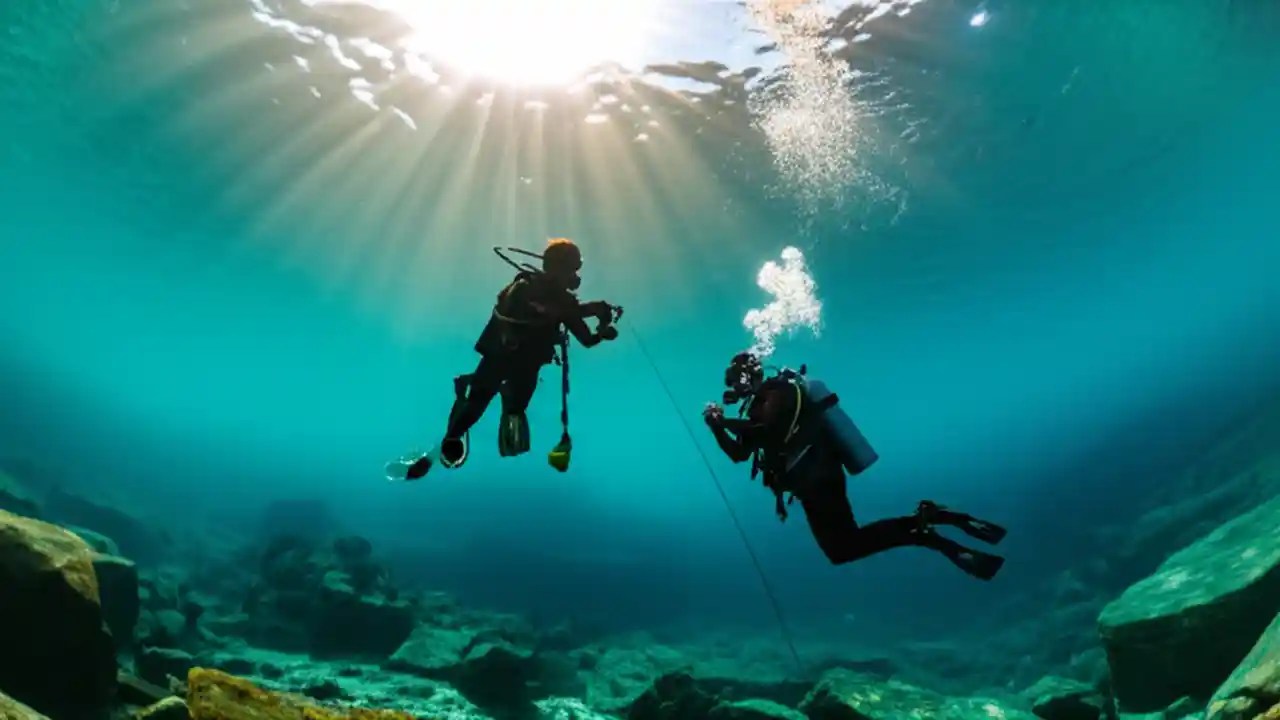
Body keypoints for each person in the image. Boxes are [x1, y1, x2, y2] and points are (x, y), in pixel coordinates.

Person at [702, 352, 1007, 580]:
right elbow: (738, 454)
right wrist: (716, 428)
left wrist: (724, 421)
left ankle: (926, 531)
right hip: (807, 483)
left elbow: (770, 431)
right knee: (841, 549)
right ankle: (927, 523)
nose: (736, 387)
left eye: (739, 379)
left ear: (753, 374)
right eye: (732, 382)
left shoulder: (779, 391)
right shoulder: (755, 406)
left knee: (844, 546)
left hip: (820, 474)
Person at [401, 238, 620, 480]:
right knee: (480, 401)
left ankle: (474, 393)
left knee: (515, 409)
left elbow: (585, 338)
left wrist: (601, 330)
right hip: (502, 355)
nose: (575, 275)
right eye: (572, 268)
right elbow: (540, 310)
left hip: (525, 362)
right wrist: (595, 318)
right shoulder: (526, 286)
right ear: (560, 267)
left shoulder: (563, 301)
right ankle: (454, 430)